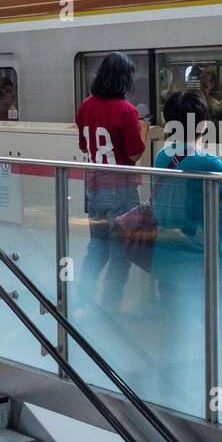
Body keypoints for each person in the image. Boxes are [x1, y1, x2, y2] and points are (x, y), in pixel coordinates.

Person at [151, 90, 222, 321]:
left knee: (173, 329)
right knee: (215, 332)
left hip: (166, 264)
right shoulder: (209, 163)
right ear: (204, 125)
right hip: (204, 268)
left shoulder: (161, 157)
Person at [75, 52, 148, 314]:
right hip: (122, 189)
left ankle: (80, 297)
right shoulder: (126, 110)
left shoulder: (85, 105)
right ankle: (109, 309)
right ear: (122, 79)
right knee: (120, 255)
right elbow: (135, 153)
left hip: (94, 187)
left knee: (97, 247)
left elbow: (84, 146)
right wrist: (143, 130)